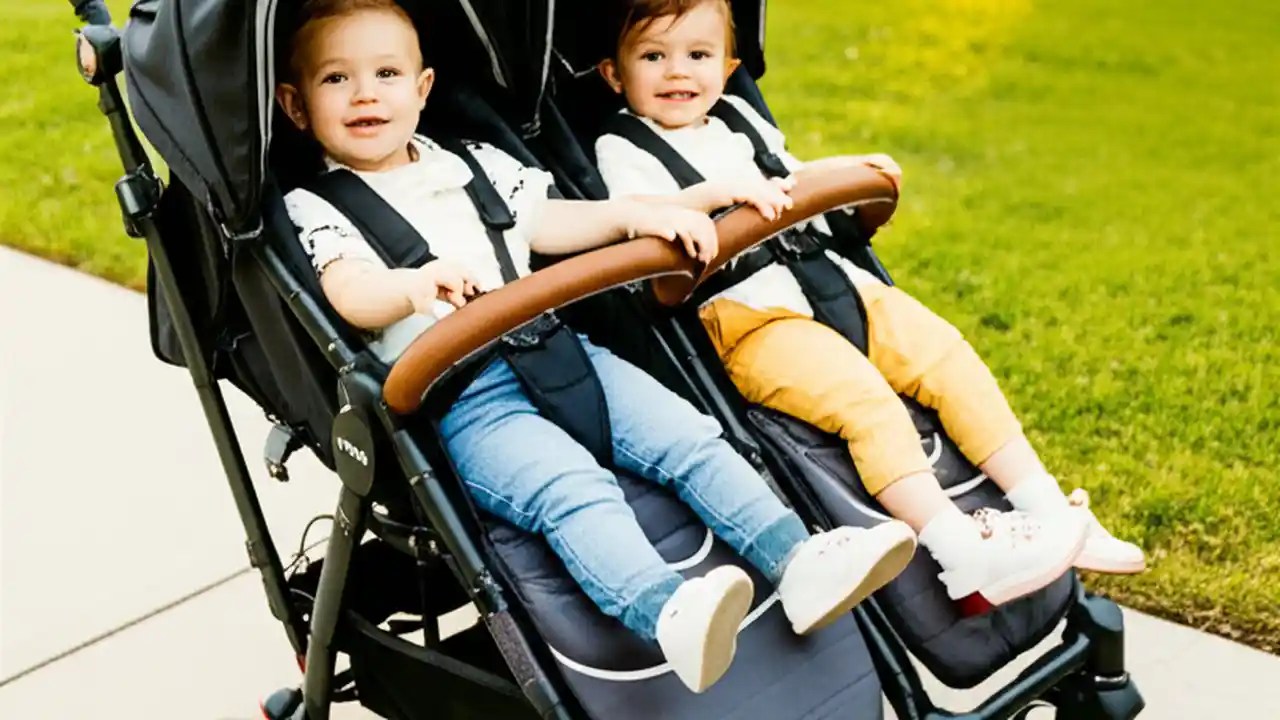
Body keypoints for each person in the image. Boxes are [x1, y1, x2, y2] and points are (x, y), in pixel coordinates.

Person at [276, 0, 917, 693]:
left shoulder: (473, 164)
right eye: (337, 80)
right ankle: (665, 609)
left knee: (690, 439)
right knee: (570, 491)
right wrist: (409, 287)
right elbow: (348, 291)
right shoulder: (316, 206)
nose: (367, 93)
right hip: (466, 399)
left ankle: (798, 562)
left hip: (561, 352)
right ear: (295, 104)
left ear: (424, 89)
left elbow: (552, 222)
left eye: (387, 74)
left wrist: (642, 213)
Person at [594, 0, 1145, 614]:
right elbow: (644, 223)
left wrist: (850, 171)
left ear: (729, 66)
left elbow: (794, 175)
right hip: (751, 320)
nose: (678, 72)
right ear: (615, 75)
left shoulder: (738, 121)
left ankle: (1045, 508)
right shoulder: (623, 148)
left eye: (698, 56)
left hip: (831, 282)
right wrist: (716, 198)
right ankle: (960, 547)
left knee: (947, 356)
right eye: (652, 56)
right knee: (868, 403)